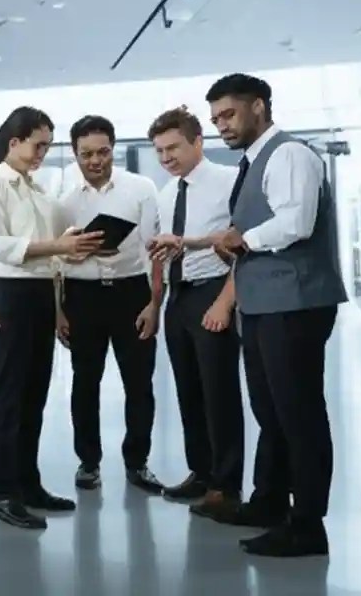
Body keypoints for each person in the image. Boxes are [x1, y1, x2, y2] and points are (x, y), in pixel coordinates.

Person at [204, 73, 347, 558]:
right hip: (265, 303)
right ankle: (269, 502)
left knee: (299, 413)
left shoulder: (288, 154)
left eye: (228, 114)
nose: (221, 125)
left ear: (259, 107)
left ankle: (308, 525)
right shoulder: (252, 161)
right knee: (270, 411)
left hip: (296, 303)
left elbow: (296, 221)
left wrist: (242, 239)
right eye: (215, 119)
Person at [0, 106, 104, 530]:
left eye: (47, 145)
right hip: (8, 294)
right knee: (7, 398)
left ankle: (28, 485)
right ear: (15, 142)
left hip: (40, 295)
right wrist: (58, 248)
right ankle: (2, 493)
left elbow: (56, 252)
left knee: (34, 398)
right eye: (38, 145)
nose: (42, 153)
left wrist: (71, 254)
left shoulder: (38, 190)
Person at [143, 107, 245, 521]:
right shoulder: (166, 194)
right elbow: (160, 255)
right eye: (159, 151)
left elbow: (241, 243)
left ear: (197, 141)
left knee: (219, 393)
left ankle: (226, 484)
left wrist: (225, 301)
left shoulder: (229, 181)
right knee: (189, 391)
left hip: (213, 292)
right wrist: (156, 302)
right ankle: (201, 473)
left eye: (173, 148)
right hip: (178, 298)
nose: (166, 157)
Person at [56, 115, 166, 495]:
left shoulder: (141, 188)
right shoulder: (64, 202)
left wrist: (154, 304)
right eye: (86, 154)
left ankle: (138, 463)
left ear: (113, 149)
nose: (95, 161)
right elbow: (54, 261)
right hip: (81, 296)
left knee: (140, 383)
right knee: (85, 383)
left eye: (103, 152)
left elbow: (156, 254)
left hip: (131, 292)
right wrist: (59, 310)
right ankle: (88, 462)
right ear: (74, 154)